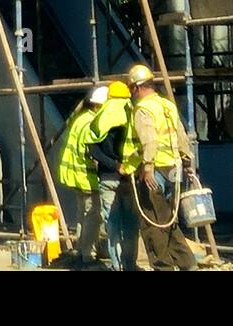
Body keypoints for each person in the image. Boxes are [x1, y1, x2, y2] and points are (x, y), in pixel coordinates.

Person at [125, 63, 197, 271]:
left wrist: (147, 167)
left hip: (156, 170)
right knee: (168, 220)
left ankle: (162, 266)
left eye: (132, 88)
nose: (132, 93)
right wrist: (187, 160)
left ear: (137, 87)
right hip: (175, 169)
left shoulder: (144, 109)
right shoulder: (167, 105)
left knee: (153, 223)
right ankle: (186, 262)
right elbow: (180, 135)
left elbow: (149, 139)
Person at [87, 80, 139, 271]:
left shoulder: (100, 118)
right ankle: (130, 264)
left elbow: (92, 149)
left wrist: (113, 165)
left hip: (108, 177)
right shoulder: (131, 114)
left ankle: (117, 266)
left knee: (113, 223)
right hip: (129, 177)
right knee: (131, 224)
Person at [56, 85, 109, 266]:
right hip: (87, 177)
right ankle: (87, 254)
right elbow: (91, 151)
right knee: (92, 216)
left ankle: (80, 250)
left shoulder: (81, 118)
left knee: (83, 215)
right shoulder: (92, 122)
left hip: (76, 175)